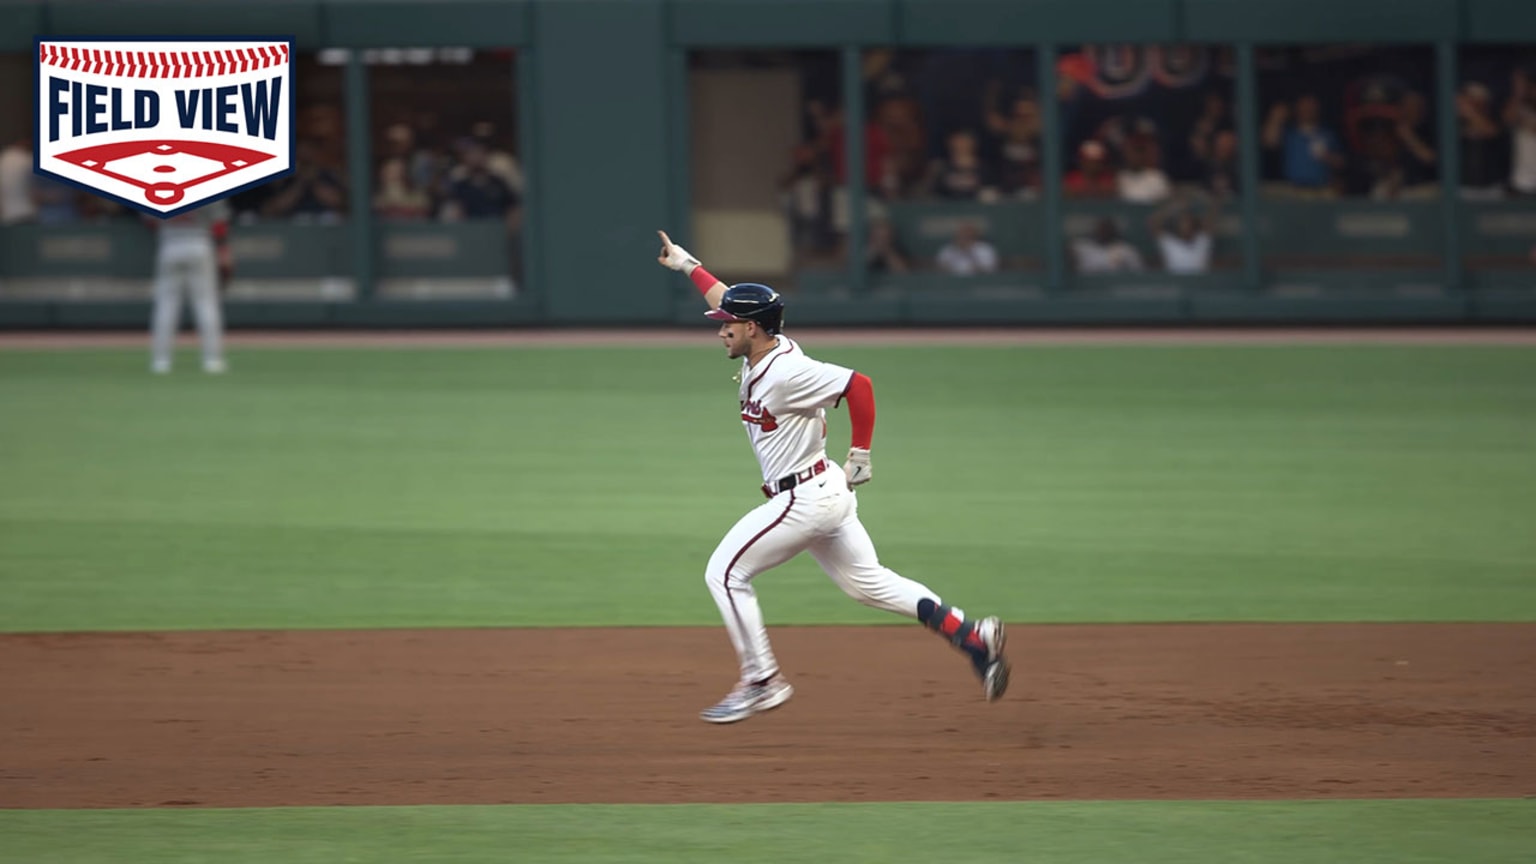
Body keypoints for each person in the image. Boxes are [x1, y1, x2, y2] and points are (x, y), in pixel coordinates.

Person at [654, 229, 1011, 725]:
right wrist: (689, 264)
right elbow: (725, 298)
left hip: (804, 498)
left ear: (753, 329)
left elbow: (858, 385)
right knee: (869, 586)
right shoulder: (764, 348)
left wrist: (861, 451)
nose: (720, 330)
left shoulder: (787, 372)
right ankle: (972, 636)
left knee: (725, 572)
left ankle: (761, 680)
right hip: (824, 494)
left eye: (727, 325)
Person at [149, 201, 230, 375]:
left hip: (169, 242)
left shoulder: (161, 182)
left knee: (166, 305)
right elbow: (219, 222)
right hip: (199, 242)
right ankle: (212, 360)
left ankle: (161, 361)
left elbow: (149, 218)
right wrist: (223, 247)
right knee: (205, 303)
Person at [1147, 194, 1216, 275]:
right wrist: (1175, 206)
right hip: (1176, 283)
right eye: (1182, 223)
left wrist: (1203, 200)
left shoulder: (1202, 241)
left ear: (1194, 225)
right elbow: (1152, 223)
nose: (1186, 227)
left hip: (1201, 284)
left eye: (1189, 223)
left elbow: (1211, 219)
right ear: (1177, 226)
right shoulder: (1170, 243)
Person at [1071, 217, 1145, 274]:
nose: (1103, 232)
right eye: (1100, 229)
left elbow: (1138, 272)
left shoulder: (1126, 250)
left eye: (1106, 229)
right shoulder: (1081, 246)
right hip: (1084, 288)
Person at [935, 221, 999, 276]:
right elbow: (940, 269)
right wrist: (957, 252)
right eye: (961, 234)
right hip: (951, 281)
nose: (963, 237)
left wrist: (969, 252)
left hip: (978, 281)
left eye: (967, 235)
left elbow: (988, 270)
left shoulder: (985, 249)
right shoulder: (948, 249)